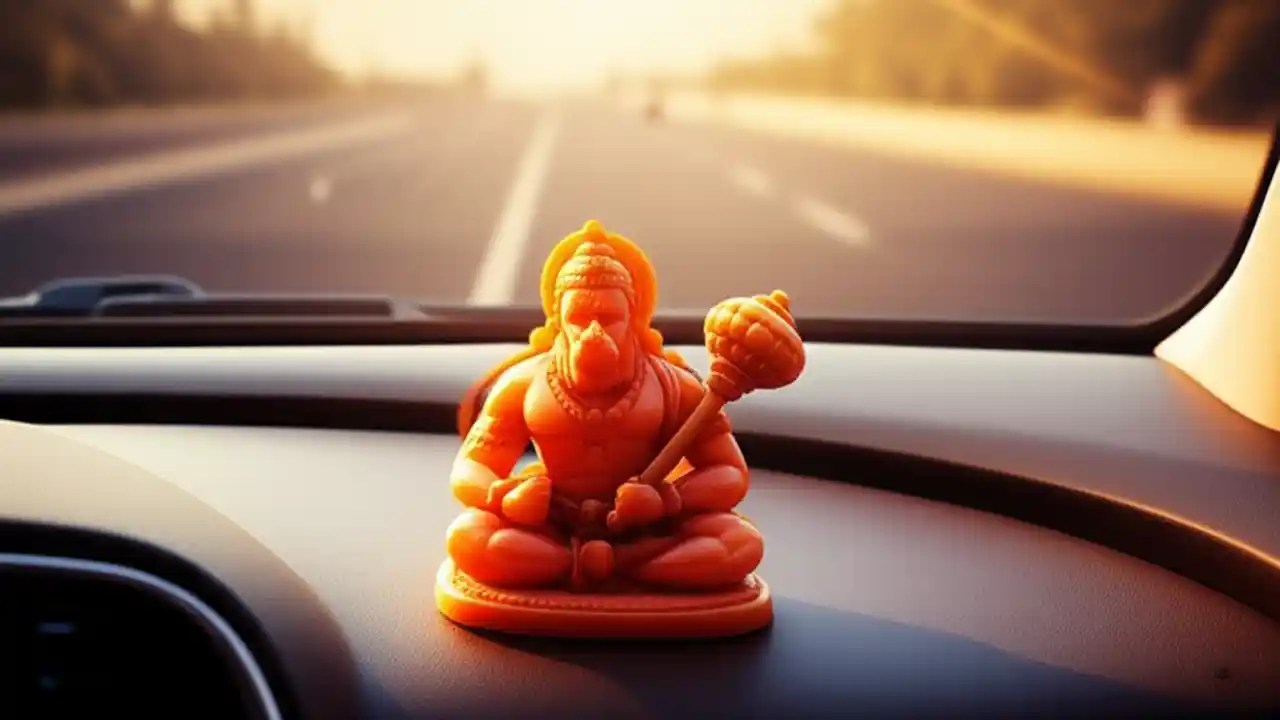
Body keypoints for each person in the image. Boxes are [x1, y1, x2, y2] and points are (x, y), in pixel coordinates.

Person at [447, 220, 763, 590]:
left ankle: (607, 564)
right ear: (558, 319)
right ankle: (588, 564)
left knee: (738, 543)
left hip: (648, 530)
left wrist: (669, 500)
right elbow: (472, 465)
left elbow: (729, 472)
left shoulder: (675, 386)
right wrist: (503, 497)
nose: (593, 331)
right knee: (468, 536)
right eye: (578, 319)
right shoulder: (523, 383)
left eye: (610, 318)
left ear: (633, 316)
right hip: (552, 523)